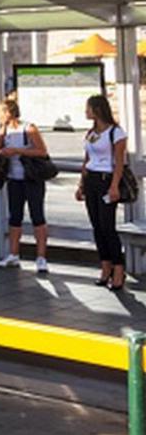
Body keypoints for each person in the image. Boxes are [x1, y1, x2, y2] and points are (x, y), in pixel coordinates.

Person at [75, 94, 129, 291]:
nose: (86, 112)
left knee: (108, 227)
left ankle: (118, 268)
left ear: (97, 110)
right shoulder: (91, 133)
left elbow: (119, 163)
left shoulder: (116, 133)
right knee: (97, 226)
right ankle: (105, 266)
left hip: (107, 180)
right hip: (92, 180)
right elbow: (86, 159)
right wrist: (81, 184)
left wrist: (114, 186)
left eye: (88, 108)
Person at [0, 98, 50, 273]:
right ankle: (13, 254)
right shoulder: (4, 130)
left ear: (9, 112)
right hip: (13, 179)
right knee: (14, 217)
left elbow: (42, 151)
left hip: (32, 179)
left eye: (1, 112)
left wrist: (18, 151)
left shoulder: (29, 128)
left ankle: (41, 257)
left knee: (37, 216)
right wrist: (2, 147)